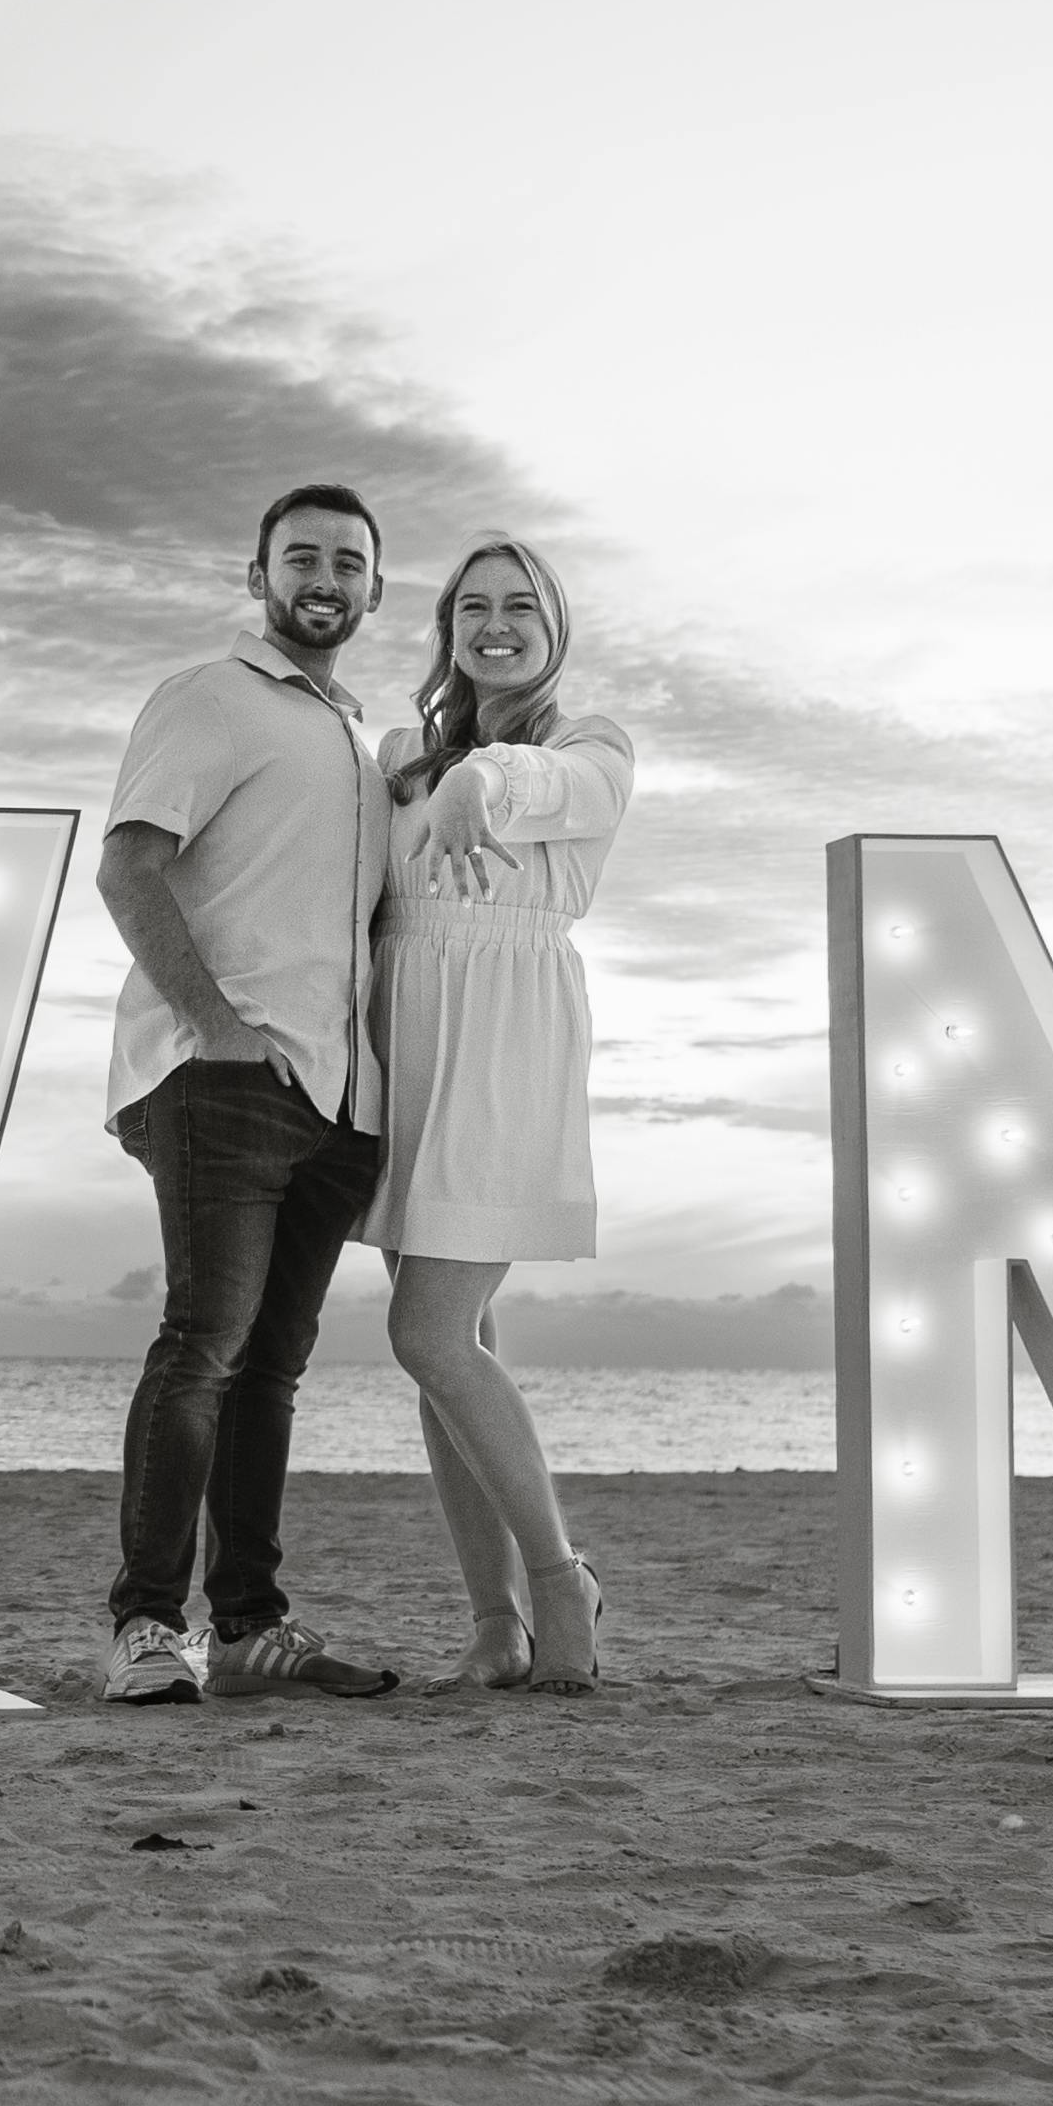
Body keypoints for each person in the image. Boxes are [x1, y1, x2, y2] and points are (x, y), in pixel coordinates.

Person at [87, 483, 411, 1706]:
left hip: (335, 1099)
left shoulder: (357, 742)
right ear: (257, 573)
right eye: (299, 557)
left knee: (270, 1369)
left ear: (375, 589)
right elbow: (126, 864)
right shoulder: (209, 697)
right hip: (221, 1076)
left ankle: (247, 1625)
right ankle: (143, 1627)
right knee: (202, 1346)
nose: (322, 577)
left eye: (347, 561)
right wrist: (216, 1027)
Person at [363, 534, 634, 1692]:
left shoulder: (591, 745)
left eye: (519, 605)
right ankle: (493, 1621)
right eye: (471, 605)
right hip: (398, 1038)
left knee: (426, 1332)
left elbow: (544, 788)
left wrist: (483, 776)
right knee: (449, 1352)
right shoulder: (397, 758)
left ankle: (562, 1578)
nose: (494, 623)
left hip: (503, 1042)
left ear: (553, 624)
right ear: (445, 628)